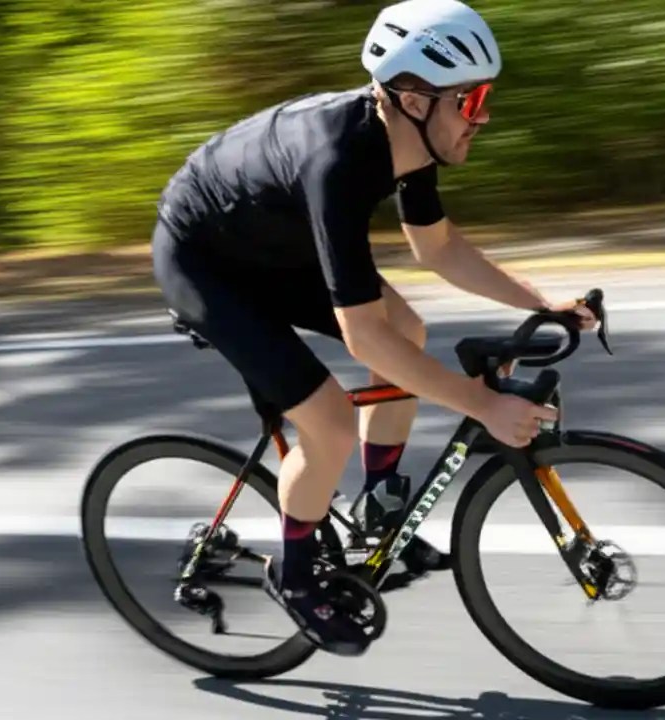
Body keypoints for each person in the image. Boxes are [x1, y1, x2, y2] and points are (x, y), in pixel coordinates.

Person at [151, 0, 596, 656]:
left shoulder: (408, 145)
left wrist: (544, 300)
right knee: (328, 419)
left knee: (407, 330)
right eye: (470, 102)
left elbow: (439, 249)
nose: (485, 116)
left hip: (271, 244)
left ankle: (376, 510)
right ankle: (296, 576)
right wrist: (480, 404)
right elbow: (362, 337)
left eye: (484, 99)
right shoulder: (336, 160)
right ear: (415, 99)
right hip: (206, 262)